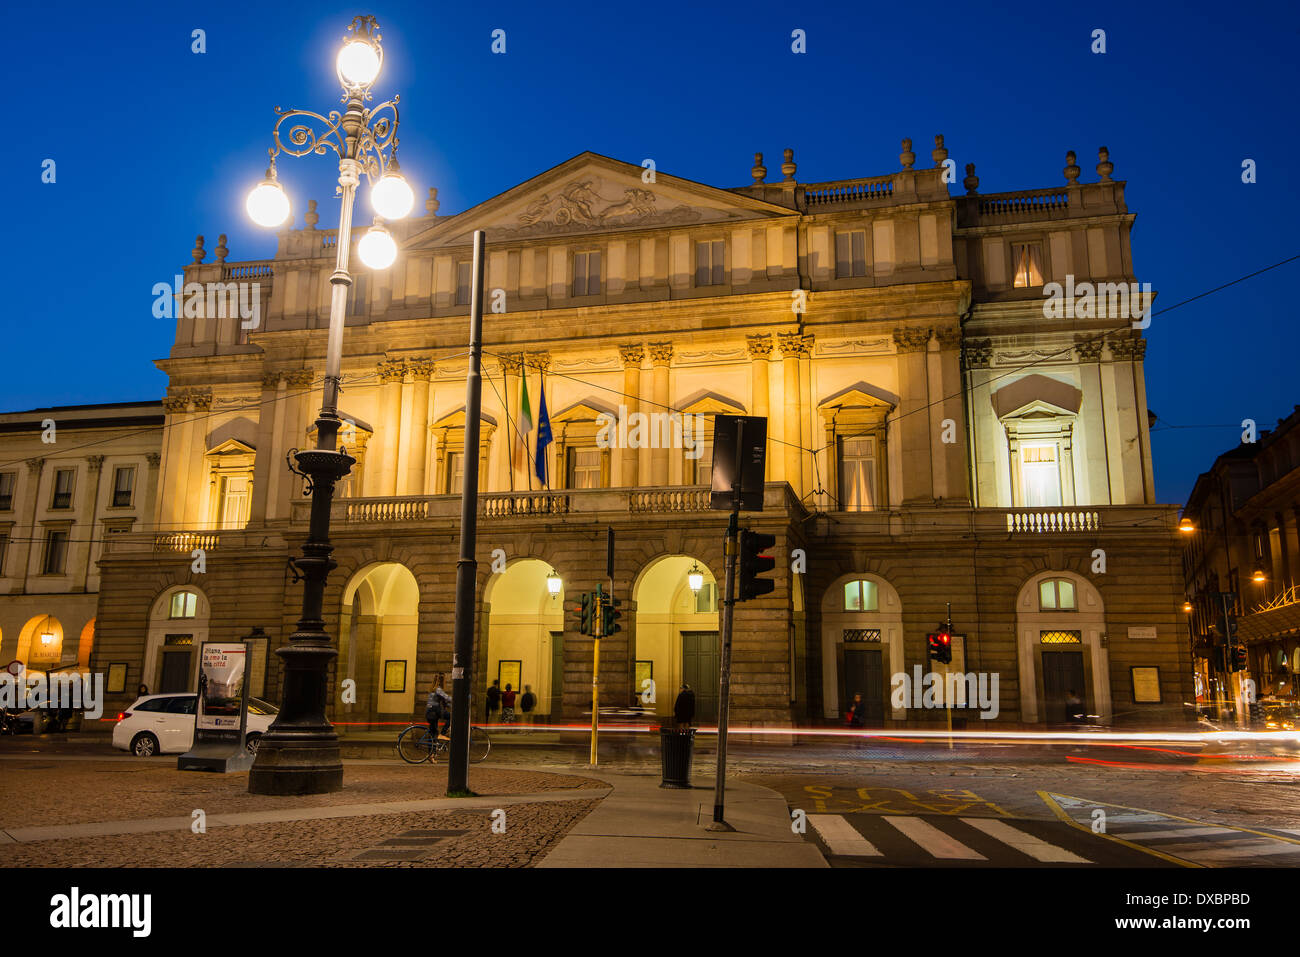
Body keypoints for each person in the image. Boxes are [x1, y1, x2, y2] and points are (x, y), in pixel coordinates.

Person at [426, 673, 452, 740]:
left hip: (429, 711)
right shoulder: (438, 689)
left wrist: (450, 705)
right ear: (442, 681)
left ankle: (432, 749)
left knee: (433, 732)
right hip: (434, 710)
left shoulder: (432, 689)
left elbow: (444, 702)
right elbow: (447, 698)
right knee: (451, 717)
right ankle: (442, 733)